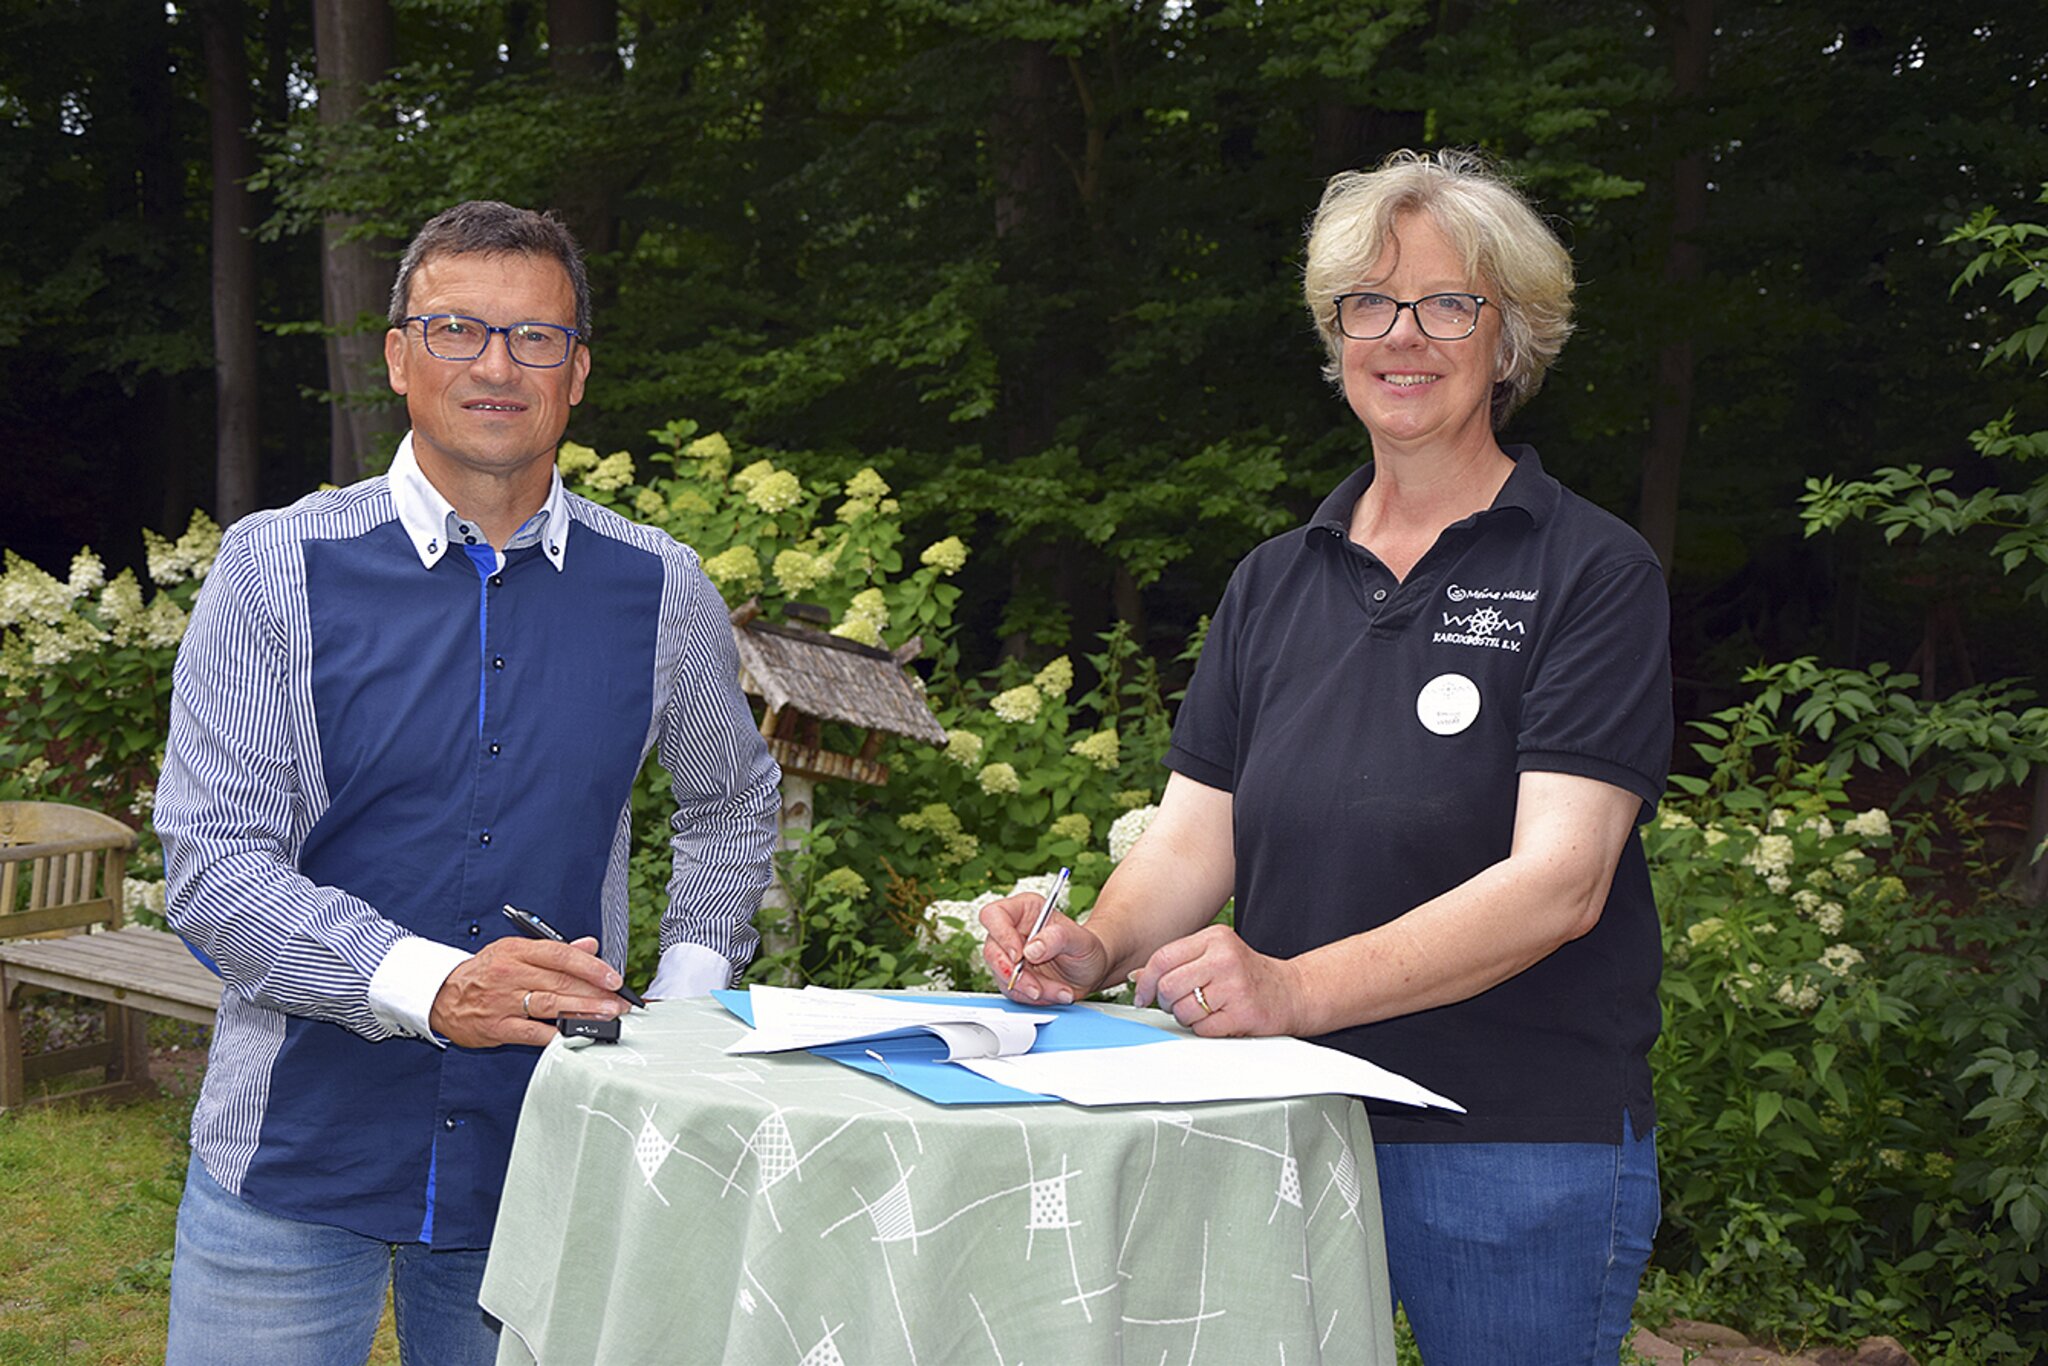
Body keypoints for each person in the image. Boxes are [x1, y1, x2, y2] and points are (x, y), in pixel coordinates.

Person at [983, 149, 1671, 1363]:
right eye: (1368, 303)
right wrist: (1091, 945)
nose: (1402, 335)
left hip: (1511, 1142)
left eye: (1446, 302)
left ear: (1507, 336)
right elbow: (1196, 834)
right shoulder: (1272, 579)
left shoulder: (1589, 569)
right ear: (1334, 332)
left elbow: (1558, 885)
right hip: (1280, 1120)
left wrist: (1293, 989)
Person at [158, 200, 781, 1365]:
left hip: (548, 1155)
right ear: (398, 356)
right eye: (457, 329)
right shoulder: (273, 569)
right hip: (291, 1160)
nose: (497, 365)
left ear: (578, 373)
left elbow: (731, 800)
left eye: (535, 338)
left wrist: (686, 1000)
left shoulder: (660, 589)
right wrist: (437, 986)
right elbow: (213, 866)